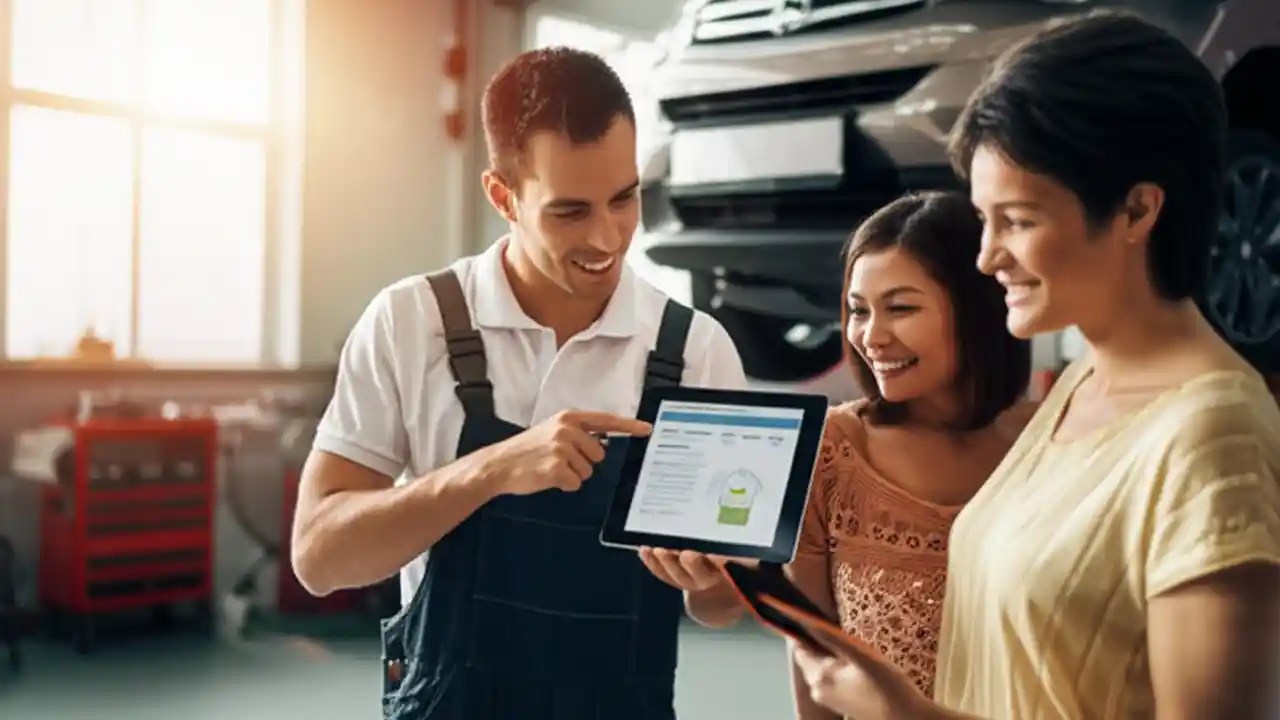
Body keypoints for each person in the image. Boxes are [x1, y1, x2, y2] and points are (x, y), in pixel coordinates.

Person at [791, 11, 1280, 720]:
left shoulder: (1215, 439)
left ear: (1137, 210)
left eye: (1016, 220)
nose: (987, 257)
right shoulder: (1084, 381)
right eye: (984, 219)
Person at [290, 47, 746, 720]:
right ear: (503, 196)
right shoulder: (412, 323)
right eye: (570, 212)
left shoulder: (696, 351)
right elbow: (318, 557)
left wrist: (714, 579)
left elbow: (721, 605)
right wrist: (493, 469)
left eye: (624, 199)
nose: (608, 236)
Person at [641, 191, 1032, 714]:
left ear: (975, 307)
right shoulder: (834, 450)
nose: (872, 337)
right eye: (856, 310)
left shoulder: (1048, 441)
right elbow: (814, 662)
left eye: (901, 308)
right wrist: (709, 584)